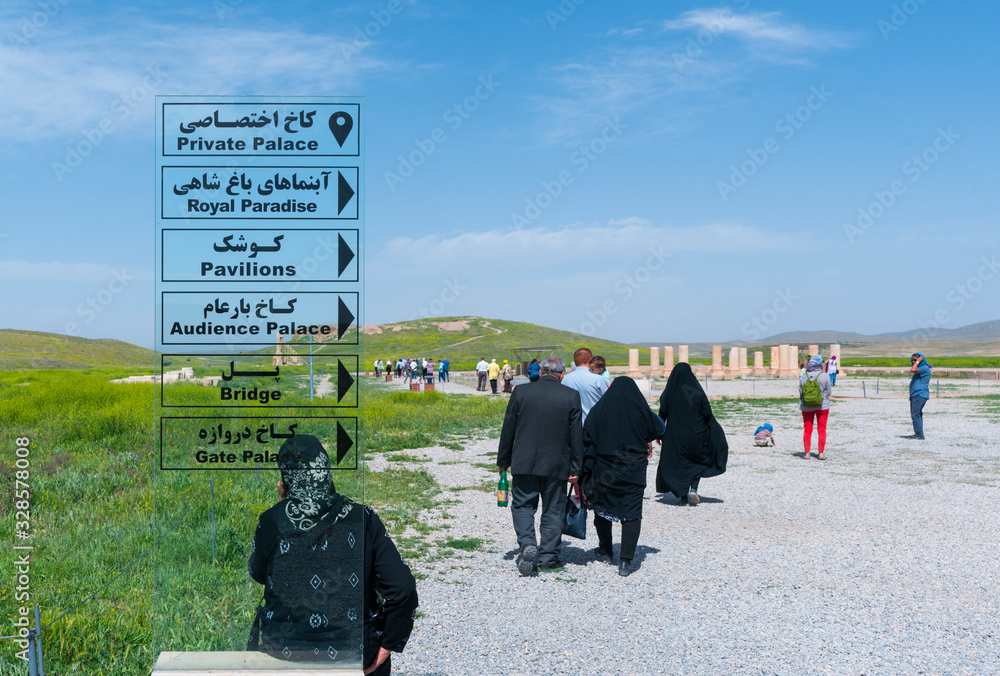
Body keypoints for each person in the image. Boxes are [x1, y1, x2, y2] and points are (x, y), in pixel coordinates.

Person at [247, 435, 418, 674]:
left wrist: (284, 506)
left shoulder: (271, 520)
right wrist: (386, 647)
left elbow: (259, 573)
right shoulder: (365, 518)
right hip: (354, 655)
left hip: (284, 655)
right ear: (324, 471)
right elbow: (403, 588)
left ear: (286, 477)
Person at [496, 357, 583, 574]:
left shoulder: (521, 392)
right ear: (561, 375)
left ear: (541, 372)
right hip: (557, 464)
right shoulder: (571, 396)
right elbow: (576, 436)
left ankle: (527, 543)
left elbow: (509, 428)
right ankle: (548, 558)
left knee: (523, 505)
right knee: (554, 509)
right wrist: (576, 468)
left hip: (524, 461)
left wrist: (503, 461)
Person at [581, 377, 665, 576]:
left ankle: (605, 550)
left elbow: (586, 436)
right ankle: (626, 561)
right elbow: (659, 428)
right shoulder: (642, 412)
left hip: (605, 469)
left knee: (602, 508)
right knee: (632, 512)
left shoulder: (599, 410)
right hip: (633, 469)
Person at [655, 362, 728, 505]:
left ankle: (682, 495)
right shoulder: (695, 390)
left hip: (675, 435)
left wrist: (659, 432)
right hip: (696, 433)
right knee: (697, 461)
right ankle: (693, 489)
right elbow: (707, 412)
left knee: (678, 462)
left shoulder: (669, 392)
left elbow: (662, 413)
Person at [561, 348, 607, 425]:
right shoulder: (598, 379)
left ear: (575, 362)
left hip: (572, 424)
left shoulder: (565, 379)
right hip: (594, 423)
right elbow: (606, 400)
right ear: (590, 359)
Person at [800, 355, 832, 459]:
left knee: (807, 429)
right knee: (821, 429)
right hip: (822, 406)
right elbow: (829, 392)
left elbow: (800, 392)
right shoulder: (825, 376)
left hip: (806, 406)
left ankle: (807, 453)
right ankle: (821, 453)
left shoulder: (804, 376)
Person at [904, 352, 932, 440]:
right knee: (917, 414)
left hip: (920, 394)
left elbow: (912, 370)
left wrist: (918, 361)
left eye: (915, 360)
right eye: (912, 360)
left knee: (915, 414)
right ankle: (918, 433)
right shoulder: (920, 368)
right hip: (916, 394)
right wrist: (917, 362)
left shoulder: (924, 368)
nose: (913, 362)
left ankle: (919, 435)